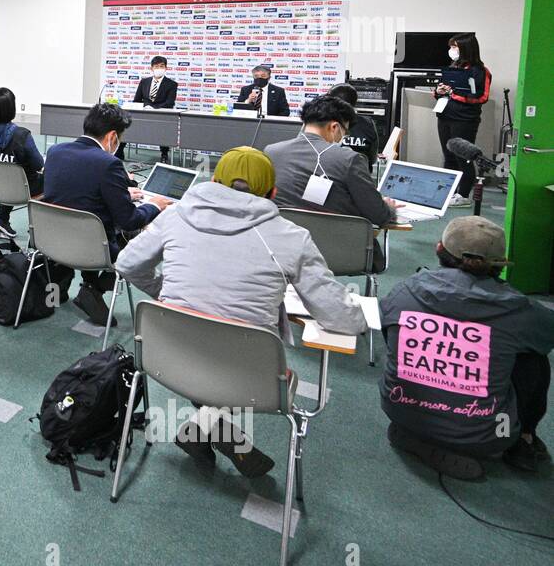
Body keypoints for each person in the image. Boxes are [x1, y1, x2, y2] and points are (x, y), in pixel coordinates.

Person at [117, 147, 367, 475]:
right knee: (235, 351)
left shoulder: (175, 215)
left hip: (166, 359)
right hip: (251, 378)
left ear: (215, 180)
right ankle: (210, 427)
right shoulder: (293, 238)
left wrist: (167, 297)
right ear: (273, 193)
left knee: (215, 344)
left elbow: (127, 264)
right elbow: (340, 318)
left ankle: (203, 427)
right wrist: (363, 319)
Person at [380, 216, 553, 479]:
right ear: (499, 264)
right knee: (534, 360)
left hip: (398, 409)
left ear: (439, 249)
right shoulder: (519, 310)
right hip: (490, 435)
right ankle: (522, 439)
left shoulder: (404, 290)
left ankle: (420, 433)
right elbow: (547, 336)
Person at [42, 102, 170, 327]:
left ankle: (83, 286)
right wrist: (156, 206)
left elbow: (75, 190)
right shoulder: (109, 163)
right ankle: (94, 288)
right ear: (112, 136)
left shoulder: (55, 151)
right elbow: (129, 220)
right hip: (94, 248)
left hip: (52, 241)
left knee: (92, 218)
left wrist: (121, 193)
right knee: (130, 238)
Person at [265, 94, 397, 271]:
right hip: (340, 253)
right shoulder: (350, 159)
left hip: (281, 249)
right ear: (334, 127)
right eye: (345, 131)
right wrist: (389, 207)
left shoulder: (272, 152)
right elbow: (379, 215)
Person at [0, 86, 44, 238]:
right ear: (11, 109)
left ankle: (2, 219)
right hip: (19, 189)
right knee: (48, 177)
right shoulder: (21, 135)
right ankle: (43, 231)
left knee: (9, 174)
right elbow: (38, 165)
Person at [434, 33, 491, 206]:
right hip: (445, 116)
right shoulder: (453, 67)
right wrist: (439, 91)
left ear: (465, 48)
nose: (451, 50)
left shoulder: (480, 71)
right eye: (451, 47)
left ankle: (464, 195)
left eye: (455, 47)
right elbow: (439, 91)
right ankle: (448, 191)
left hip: (465, 120)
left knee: (463, 157)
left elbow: (481, 97)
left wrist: (454, 94)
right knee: (448, 156)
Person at [133, 55, 178, 162]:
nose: (159, 68)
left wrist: (154, 108)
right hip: (144, 114)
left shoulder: (172, 84)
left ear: (166, 68)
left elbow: (170, 103)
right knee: (127, 124)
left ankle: (164, 154)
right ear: (151, 68)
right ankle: (120, 151)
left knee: (164, 127)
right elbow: (137, 100)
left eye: (162, 66)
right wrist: (145, 108)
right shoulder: (144, 82)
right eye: (156, 66)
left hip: (162, 115)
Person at [328, 83, 379, 171]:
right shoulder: (368, 123)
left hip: (331, 175)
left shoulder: (322, 123)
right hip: (362, 176)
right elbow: (373, 159)